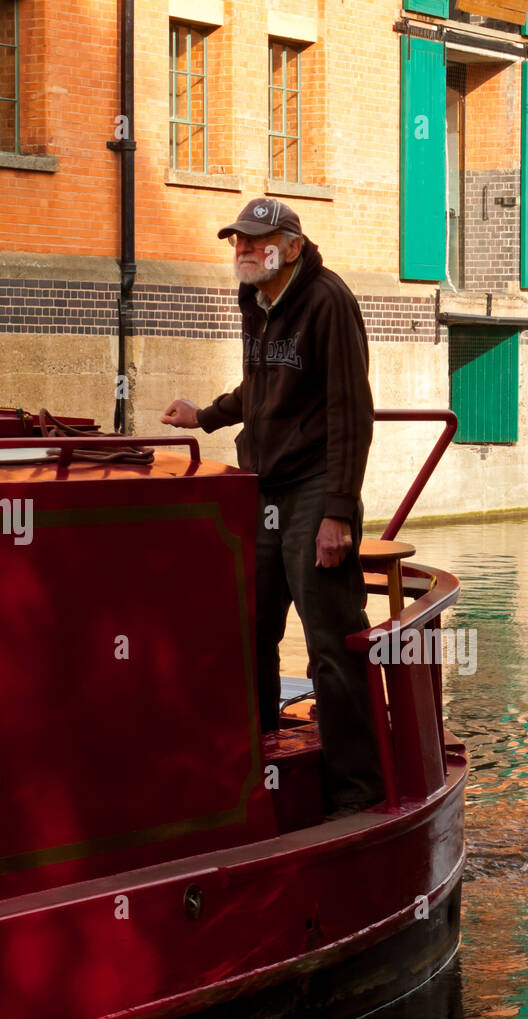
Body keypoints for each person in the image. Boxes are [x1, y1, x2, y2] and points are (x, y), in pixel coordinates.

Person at [161, 197, 384, 818]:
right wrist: (205, 416)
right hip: (262, 483)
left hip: (316, 486)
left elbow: (350, 411)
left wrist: (339, 511)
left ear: (289, 245)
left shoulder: (328, 301)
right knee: (248, 624)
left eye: (254, 242)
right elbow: (259, 385)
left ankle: (357, 793)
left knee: (329, 641)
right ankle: (254, 767)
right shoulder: (253, 301)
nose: (241, 251)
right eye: (236, 242)